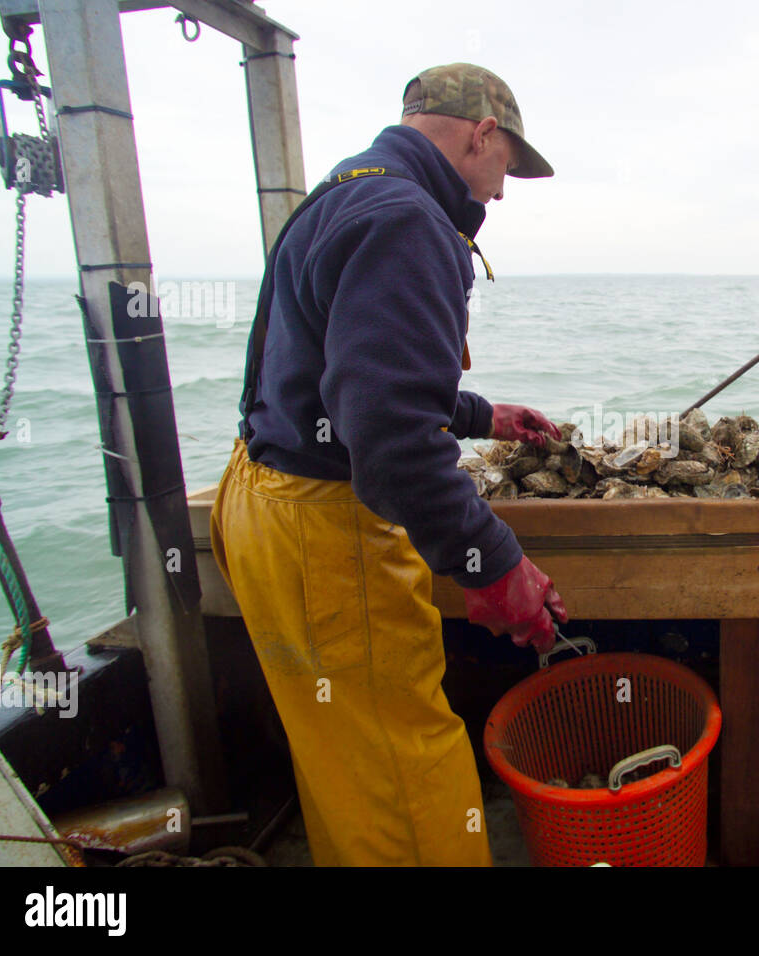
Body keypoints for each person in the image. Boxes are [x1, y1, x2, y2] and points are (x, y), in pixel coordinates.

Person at [209, 63, 568, 866]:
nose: (501, 194)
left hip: (261, 501)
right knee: (408, 766)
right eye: (505, 166)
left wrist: (481, 415)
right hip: (324, 533)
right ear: (481, 134)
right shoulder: (409, 220)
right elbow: (393, 441)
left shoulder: (343, 193)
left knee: (346, 757)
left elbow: (334, 374)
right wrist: (491, 563)